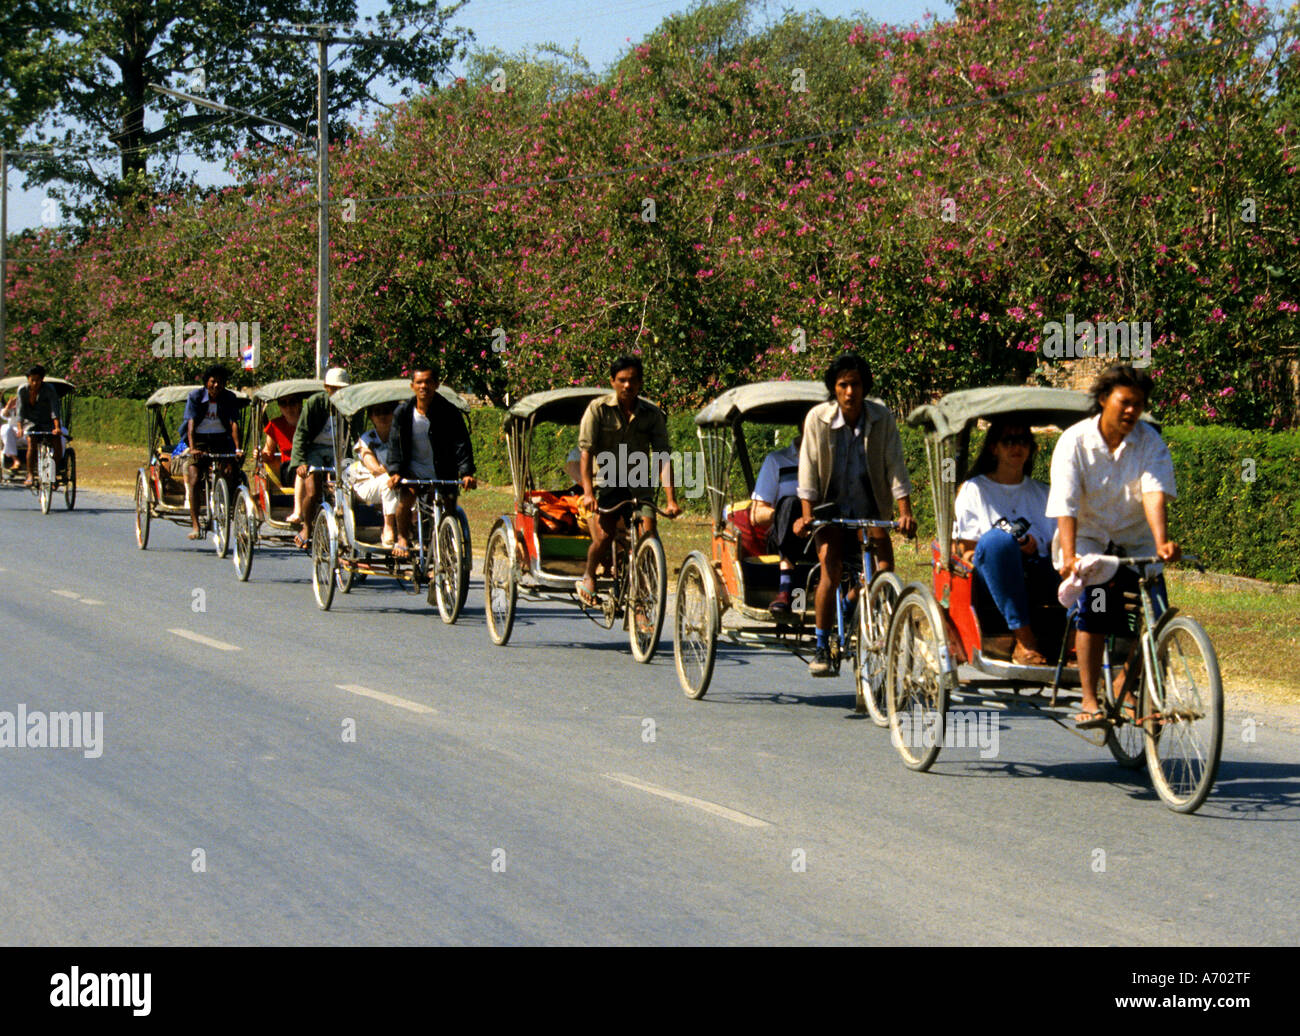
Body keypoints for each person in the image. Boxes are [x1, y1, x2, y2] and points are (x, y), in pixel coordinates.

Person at [1046, 363, 1179, 728]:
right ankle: (1090, 700)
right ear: (1104, 399)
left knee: (1157, 618)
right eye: (1125, 402)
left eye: (1139, 404)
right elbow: (1066, 504)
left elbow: (1154, 493)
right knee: (1097, 609)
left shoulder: (1149, 442)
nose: (1132, 411)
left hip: (1135, 543)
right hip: (1091, 544)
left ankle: (1125, 680)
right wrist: (1071, 555)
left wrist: (1162, 541)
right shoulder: (1074, 442)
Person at [794, 353, 917, 676]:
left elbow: (896, 467)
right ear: (834, 389)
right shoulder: (818, 419)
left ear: (865, 388)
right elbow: (807, 471)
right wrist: (808, 516)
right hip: (830, 510)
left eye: (856, 385)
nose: (850, 392)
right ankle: (821, 646)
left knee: (884, 570)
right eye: (843, 385)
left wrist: (905, 513)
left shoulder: (882, 419)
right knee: (830, 570)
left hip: (869, 508)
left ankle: (851, 607)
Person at [575, 355, 682, 604]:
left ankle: (642, 604)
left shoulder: (652, 413)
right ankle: (589, 575)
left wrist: (671, 500)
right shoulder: (598, 409)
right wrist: (589, 493)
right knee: (603, 537)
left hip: (639, 484)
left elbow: (663, 456)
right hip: (607, 481)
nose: (627, 386)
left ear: (640, 382)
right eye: (622, 380)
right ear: (612, 381)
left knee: (649, 536)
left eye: (632, 381)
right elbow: (586, 452)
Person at [952, 416, 1058, 665]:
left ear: (1032, 448)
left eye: (1023, 440)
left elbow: (1058, 545)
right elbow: (967, 552)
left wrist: (1032, 547)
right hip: (991, 579)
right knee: (998, 542)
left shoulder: (1044, 493)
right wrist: (1011, 548)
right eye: (1008, 440)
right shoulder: (974, 489)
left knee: (1093, 558)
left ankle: (1087, 637)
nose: (1016, 447)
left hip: (1039, 574)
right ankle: (1024, 640)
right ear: (994, 447)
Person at [387, 363, 477, 559]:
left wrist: (467, 472)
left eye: (428, 382)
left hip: (443, 470)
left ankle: (444, 546)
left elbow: (461, 443)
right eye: (419, 382)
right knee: (406, 499)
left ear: (436, 385)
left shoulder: (450, 412)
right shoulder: (403, 413)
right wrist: (394, 471)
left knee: (449, 507)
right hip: (414, 470)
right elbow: (395, 444)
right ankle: (403, 538)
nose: (423, 386)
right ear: (412, 386)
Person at [179, 364, 243, 539]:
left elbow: (233, 423)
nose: (216, 386)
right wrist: (193, 449)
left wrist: (237, 449)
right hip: (198, 440)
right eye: (213, 381)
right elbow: (191, 424)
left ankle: (224, 505)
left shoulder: (229, 397)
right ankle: (195, 524)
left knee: (230, 471)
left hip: (221, 440)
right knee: (193, 477)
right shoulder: (195, 397)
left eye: (220, 382)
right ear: (207, 383)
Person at [289, 367, 350, 548]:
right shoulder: (316, 403)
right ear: (326, 387)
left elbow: (355, 434)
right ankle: (307, 527)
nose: (338, 393)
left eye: (342, 389)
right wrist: (300, 462)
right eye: (334, 388)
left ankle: (348, 528)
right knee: (313, 491)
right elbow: (301, 433)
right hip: (314, 449)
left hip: (338, 449)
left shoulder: (351, 404)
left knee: (349, 488)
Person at [749, 434, 806, 617]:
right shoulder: (776, 460)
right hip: (781, 536)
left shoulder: (832, 459)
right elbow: (756, 515)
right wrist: (788, 516)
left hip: (818, 534)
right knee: (792, 504)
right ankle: (786, 586)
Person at [345, 402, 400, 547]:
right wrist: (395, 470)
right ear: (371, 416)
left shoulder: (401, 437)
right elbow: (375, 469)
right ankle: (388, 527)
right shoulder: (366, 438)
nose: (382, 416)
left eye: (387, 411)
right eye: (377, 412)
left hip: (396, 481)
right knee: (390, 480)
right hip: (365, 485)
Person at [16, 365, 65, 487]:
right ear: (28, 379)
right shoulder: (22, 390)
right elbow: (20, 412)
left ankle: (52, 473)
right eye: (32, 380)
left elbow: (54, 410)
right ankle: (30, 474)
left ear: (42, 379)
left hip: (47, 421)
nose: (35, 383)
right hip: (30, 422)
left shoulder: (49, 389)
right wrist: (20, 428)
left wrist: (57, 427)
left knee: (56, 441)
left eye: (37, 380)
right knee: (31, 443)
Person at [260, 393, 305, 518]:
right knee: (300, 470)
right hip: (290, 468)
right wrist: (260, 455)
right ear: (279, 406)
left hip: (310, 463)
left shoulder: (309, 422)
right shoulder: (276, 424)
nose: (288, 407)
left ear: (299, 404)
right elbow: (268, 452)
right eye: (283, 403)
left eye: (292, 402)